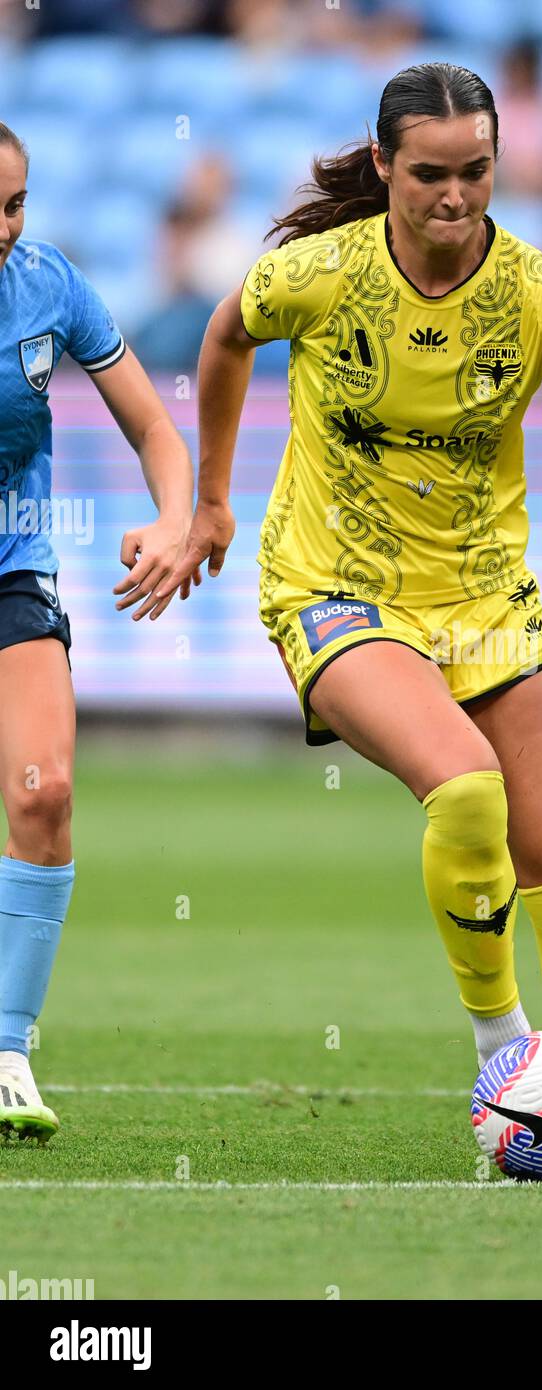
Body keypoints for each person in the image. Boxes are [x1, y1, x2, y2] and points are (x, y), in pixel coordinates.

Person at [161, 63, 542, 1171]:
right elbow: (222, 337)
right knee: (463, 789)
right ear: (385, 166)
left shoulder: (538, 293)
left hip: (486, 600)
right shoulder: (319, 274)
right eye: (431, 175)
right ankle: (506, 1062)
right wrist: (209, 503)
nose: (455, 198)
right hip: (331, 589)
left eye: (477, 173)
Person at [0, 122, 197, 1141]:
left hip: (12, 569)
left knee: (47, 794)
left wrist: (174, 519)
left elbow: (157, 428)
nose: (3, 228)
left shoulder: (48, 285)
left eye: (14, 204)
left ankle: (5, 1053)